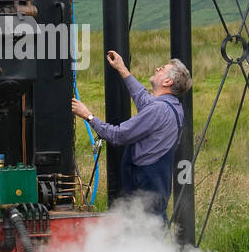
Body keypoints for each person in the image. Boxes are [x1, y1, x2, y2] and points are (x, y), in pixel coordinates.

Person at [71, 50, 191, 222]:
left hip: (145, 188)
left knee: (144, 233)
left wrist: (87, 115)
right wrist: (122, 68)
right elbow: (142, 97)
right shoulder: (171, 106)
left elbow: (117, 135)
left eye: (162, 69)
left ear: (167, 81)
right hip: (153, 187)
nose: (158, 68)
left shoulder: (158, 110)